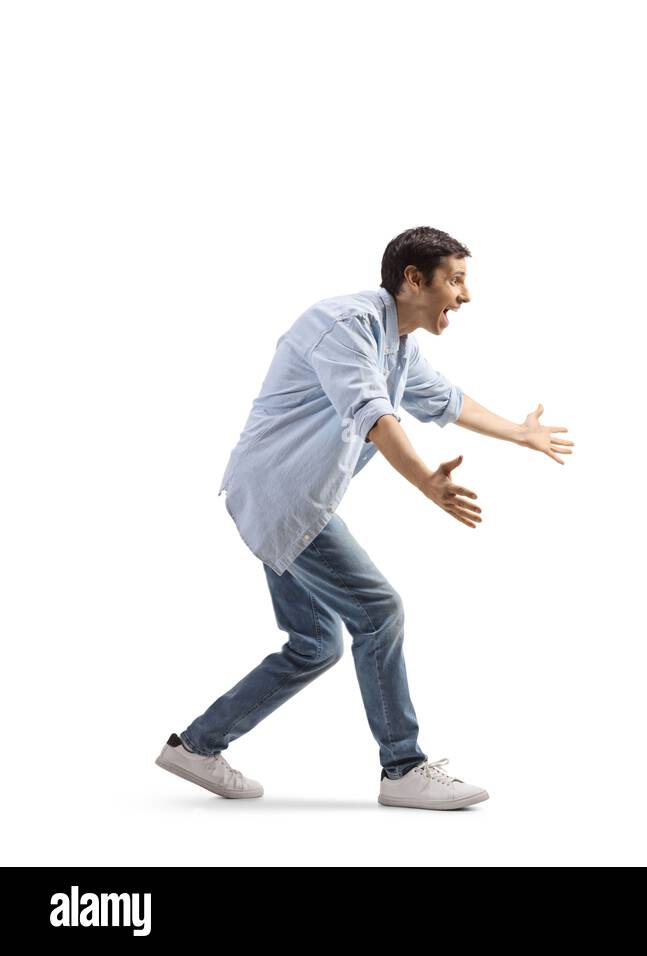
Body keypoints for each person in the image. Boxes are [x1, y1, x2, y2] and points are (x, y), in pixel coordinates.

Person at [155, 226, 574, 810]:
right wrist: (425, 480)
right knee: (379, 612)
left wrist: (519, 433)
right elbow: (373, 414)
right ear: (414, 279)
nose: (465, 295)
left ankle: (197, 747)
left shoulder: (397, 346)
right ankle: (402, 768)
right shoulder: (346, 326)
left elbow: (447, 400)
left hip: (286, 497)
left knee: (314, 644)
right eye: (455, 280)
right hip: (284, 497)